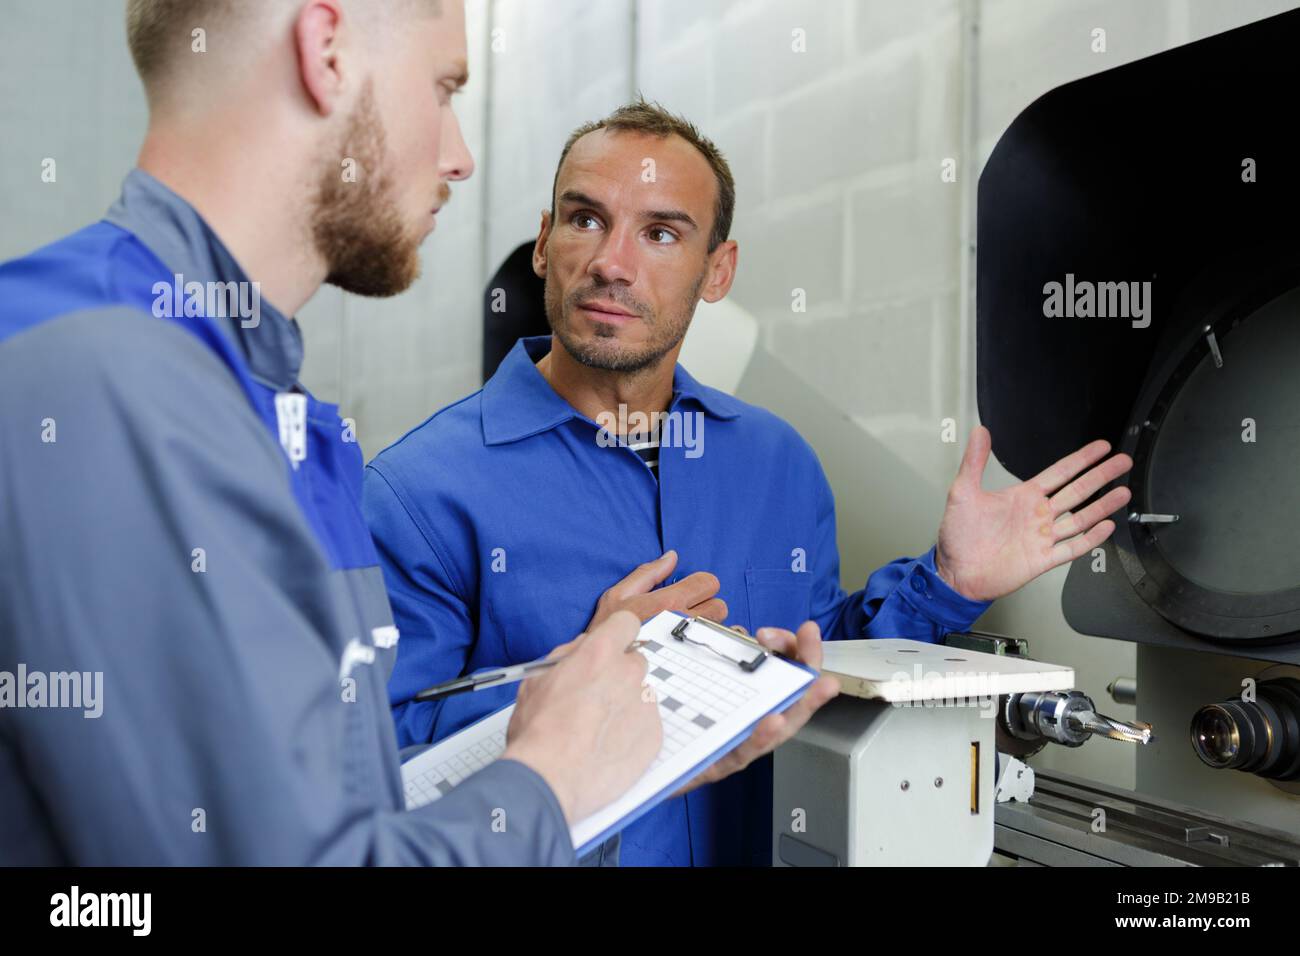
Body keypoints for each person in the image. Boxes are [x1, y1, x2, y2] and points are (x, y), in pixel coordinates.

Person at [0, 0, 832, 866]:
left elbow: (340, 803)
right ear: (325, 53)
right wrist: (547, 777)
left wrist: (595, 720)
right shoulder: (104, 373)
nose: (459, 157)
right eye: (442, 89)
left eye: (661, 233)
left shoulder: (282, 422)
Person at [363, 99, 1135, 866]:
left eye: (661, 233)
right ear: (543, 243)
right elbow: (376, 778)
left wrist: (947, 581)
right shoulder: (416, 494)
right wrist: (583, 671)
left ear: (718, 271)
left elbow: (819, 669)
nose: (611, 262)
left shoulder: (777, 463)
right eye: (585, 219)